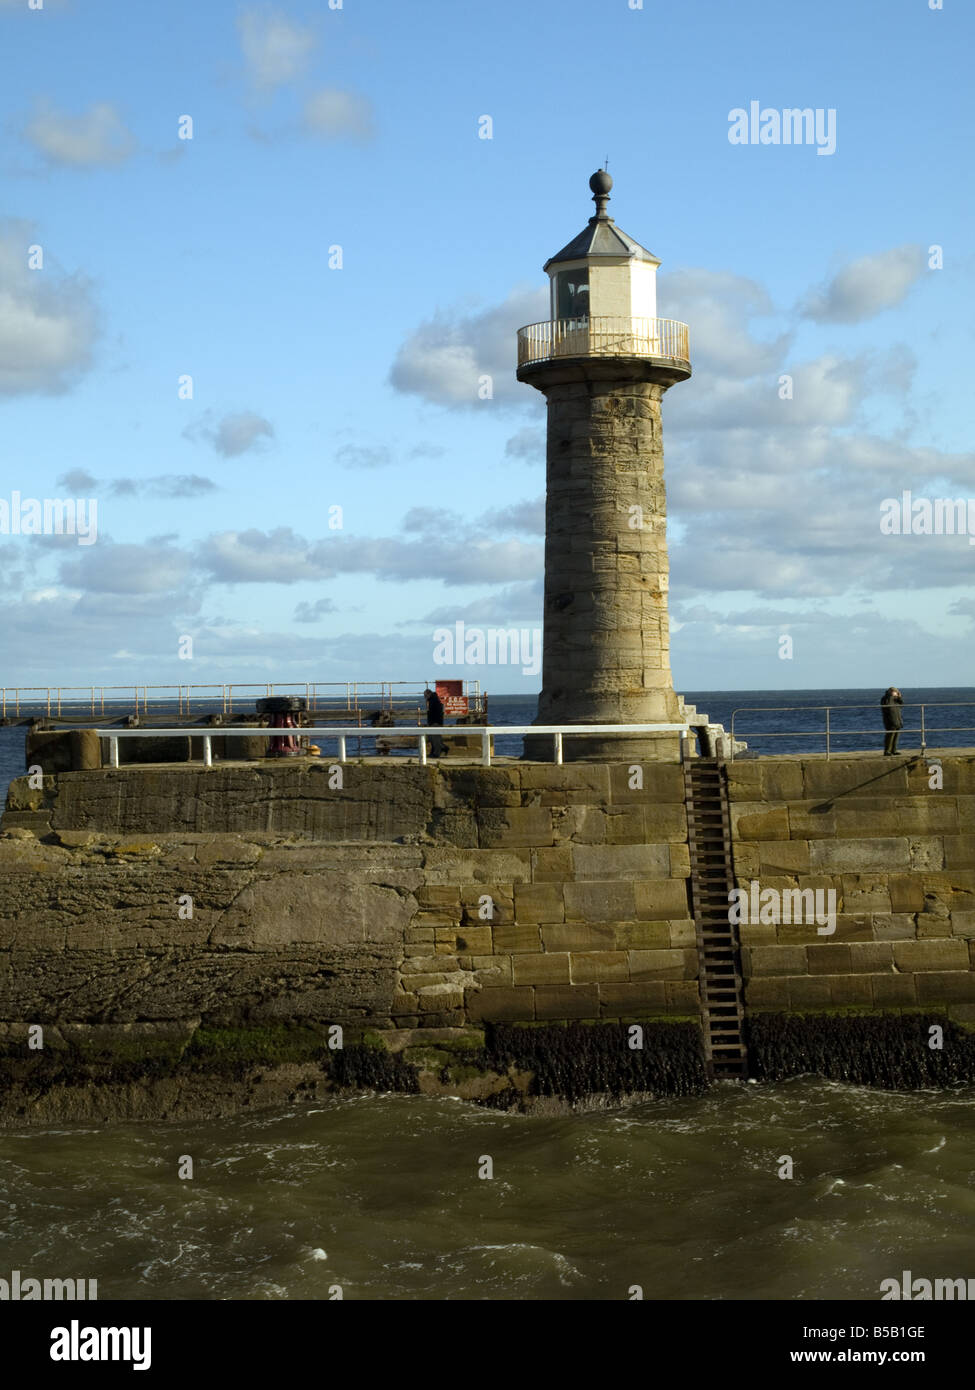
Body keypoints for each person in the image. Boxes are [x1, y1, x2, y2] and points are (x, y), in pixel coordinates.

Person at [881, 686, 903, 755]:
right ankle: (887, 751)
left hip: (897, 719)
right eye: (894, 692)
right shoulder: (885, 698)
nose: (895, 693)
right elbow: (888, 706)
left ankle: (894, 749)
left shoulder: (896, 699)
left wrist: (899, 697)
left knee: (896, 736)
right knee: (890, 736)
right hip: (890, 720)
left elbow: (901, 703)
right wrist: (891, 697)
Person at [424, 687, 445, 757]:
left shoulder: (433, 701)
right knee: (434, 738)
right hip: (436, 721)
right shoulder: (434, 700)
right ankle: (437, 751)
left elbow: (433, 713)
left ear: (428, 694)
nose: (424, 697)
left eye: (425, 695)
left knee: (435, 738)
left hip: (435, 722)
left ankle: (437, 752)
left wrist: (431, 721)